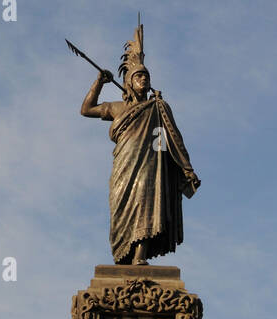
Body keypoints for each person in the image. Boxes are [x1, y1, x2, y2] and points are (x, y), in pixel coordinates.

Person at [80, 23, 199, 264]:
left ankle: (140, 255)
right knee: (121, 207)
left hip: (148, 163)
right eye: (138, 76)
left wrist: (185, 167)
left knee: (146, 200)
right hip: (123, 164)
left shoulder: (157, 108)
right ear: (129, 82)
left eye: (146, 76)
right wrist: (99, 82)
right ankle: (124, 254)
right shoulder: (117, 108)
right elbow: (87, 109)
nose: (143, 79)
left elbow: (172, 137)